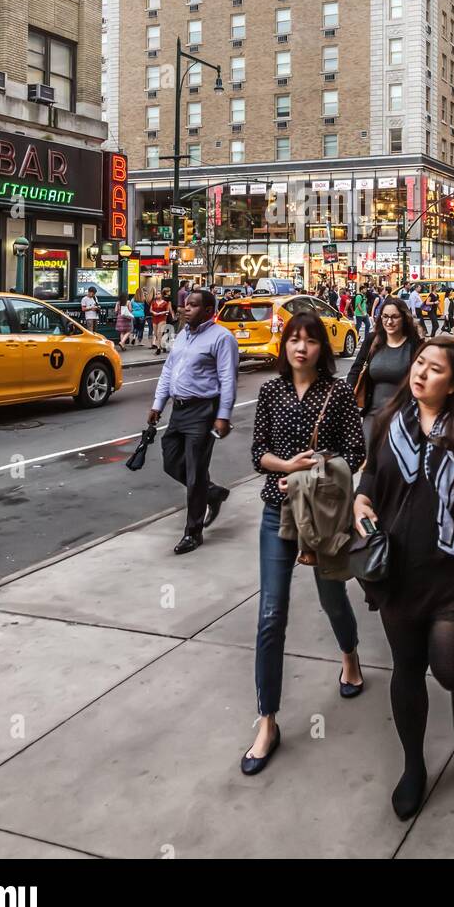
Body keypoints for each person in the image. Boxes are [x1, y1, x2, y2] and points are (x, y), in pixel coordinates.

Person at [354, 327, 454, 819]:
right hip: (399, 571)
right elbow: (371, 471)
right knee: (406, 668)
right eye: (419, 364)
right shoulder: (389, 419)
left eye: (435, 369)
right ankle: (413, 766)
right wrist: (362, 495)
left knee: (447, 667)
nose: (421, 372)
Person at [242, 312, 366, 776]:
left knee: (332, 595)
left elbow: (356, 451)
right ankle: (268, 721)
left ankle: (350, 656)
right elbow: (259, 454)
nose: (301, 348)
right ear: (284, 346)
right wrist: (288, 467)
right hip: (278, 511)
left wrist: (317, 465)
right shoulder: (271, 392)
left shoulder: (335, 394)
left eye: (310, 341)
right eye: (293, 339)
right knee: (271, 612)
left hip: (322, 512)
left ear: (322, 347)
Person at [148, 288, 239, 555]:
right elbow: (168, 370)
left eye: (193, 305)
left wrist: (223, 416)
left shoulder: (222, 338)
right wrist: (158, 404)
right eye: (186, 304)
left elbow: (228, 380)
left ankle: (193, 532)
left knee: (196, 471)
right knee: (170, 460)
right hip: (179, 410)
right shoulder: (182, 335)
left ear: (209, 310)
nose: (186, 308)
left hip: (203, 411)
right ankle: (211, 492)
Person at [347, 295, 421, 446]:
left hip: (404, 416)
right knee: (369, 463)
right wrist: (346, 397)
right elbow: (356, 369)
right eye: (385, 316)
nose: (389, 321)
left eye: (395, 317)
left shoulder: (414, 344)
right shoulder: (373, 340)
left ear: (404, 318)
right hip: (373, 415)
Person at [150, 289, 170, 354]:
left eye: (158, 293)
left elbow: (167, 311)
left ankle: (158, 348)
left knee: (159, 333)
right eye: (156, 294)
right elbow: (150, 310)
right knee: (155, 334)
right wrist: (154, 312)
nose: (157, 295)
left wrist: (162, 312)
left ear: (161, 295)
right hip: (155, 318)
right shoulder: (153, 302)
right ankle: (163, 345)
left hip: (162, 318)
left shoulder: (165, 302)